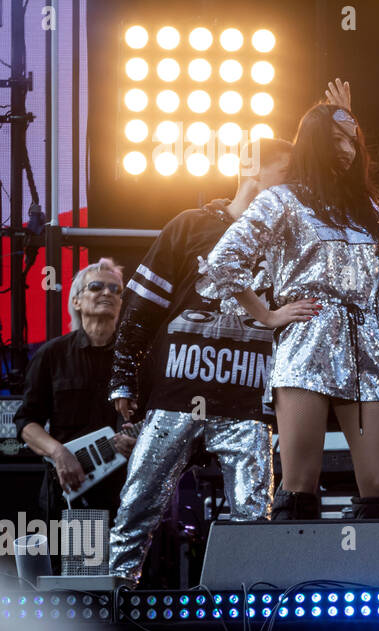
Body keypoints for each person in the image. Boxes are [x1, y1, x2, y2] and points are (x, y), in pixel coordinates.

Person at [205, 103, 379, 520]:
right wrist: (267, 315)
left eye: (352, 141)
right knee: (300, 481)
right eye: (335, 140)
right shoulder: (280, 199)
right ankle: (298, 583)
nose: (347, 149)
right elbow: (223, 259)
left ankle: (371, 580)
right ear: (314, 144)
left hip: (366, 348)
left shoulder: (367, 210)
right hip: (306, 340)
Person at [106, 138, 292, 583]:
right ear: (255, 172)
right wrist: (123, 380)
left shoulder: (290, 239)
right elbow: (141, 310)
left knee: (253, 516)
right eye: (288, 174)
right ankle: (112, 602)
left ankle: (250, 619)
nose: (295, 186)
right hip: (177, 391)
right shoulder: (189, 225)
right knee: (137, 504)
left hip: (247, 401)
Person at [15, 259, 135, 524]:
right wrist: (59, 453)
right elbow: (26, 422)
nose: (108, 293)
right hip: (69, 492)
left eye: (116, 290)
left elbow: (154, 419)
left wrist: (138, 442)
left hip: (125, 493)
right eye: (96, 286)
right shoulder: (52, 355)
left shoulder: (136, 360)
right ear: (77, 301)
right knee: (77, 564)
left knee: (124, 566)